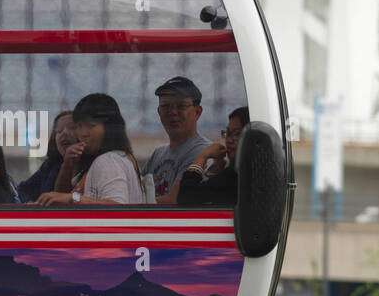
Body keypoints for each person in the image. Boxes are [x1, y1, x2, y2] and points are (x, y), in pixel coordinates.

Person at [37, 93, 141, 206]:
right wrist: (67, 166)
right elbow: (61, 198)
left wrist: (73, 198)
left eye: (91, 126)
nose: (83, 134)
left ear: (110, 128)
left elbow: (117, 207)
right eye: (80, 126)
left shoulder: (108, 161)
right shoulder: (107, 159)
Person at [142, 77, 211, 205]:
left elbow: (175, 201)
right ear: (159, 112)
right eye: (165, 106)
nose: (172, 112)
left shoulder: (203, 152)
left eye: (181, 106)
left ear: (197, 112)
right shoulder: (158, 154)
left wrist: (129, 202)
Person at [177, 106, 249, 208]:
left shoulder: (238, 177)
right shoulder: (237, 172)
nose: (228, 140)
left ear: (252, 137)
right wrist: (217, 169)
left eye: (236, 134)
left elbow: (185, 197)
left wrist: (202, 157)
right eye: (227, 133)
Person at [17, 110, 77, 203]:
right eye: (59, 130)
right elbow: (23, 191)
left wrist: (73, 197)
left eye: (72, 128)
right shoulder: (51, 165)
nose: (64, 133)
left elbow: (81, 197)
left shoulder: (92, 165)